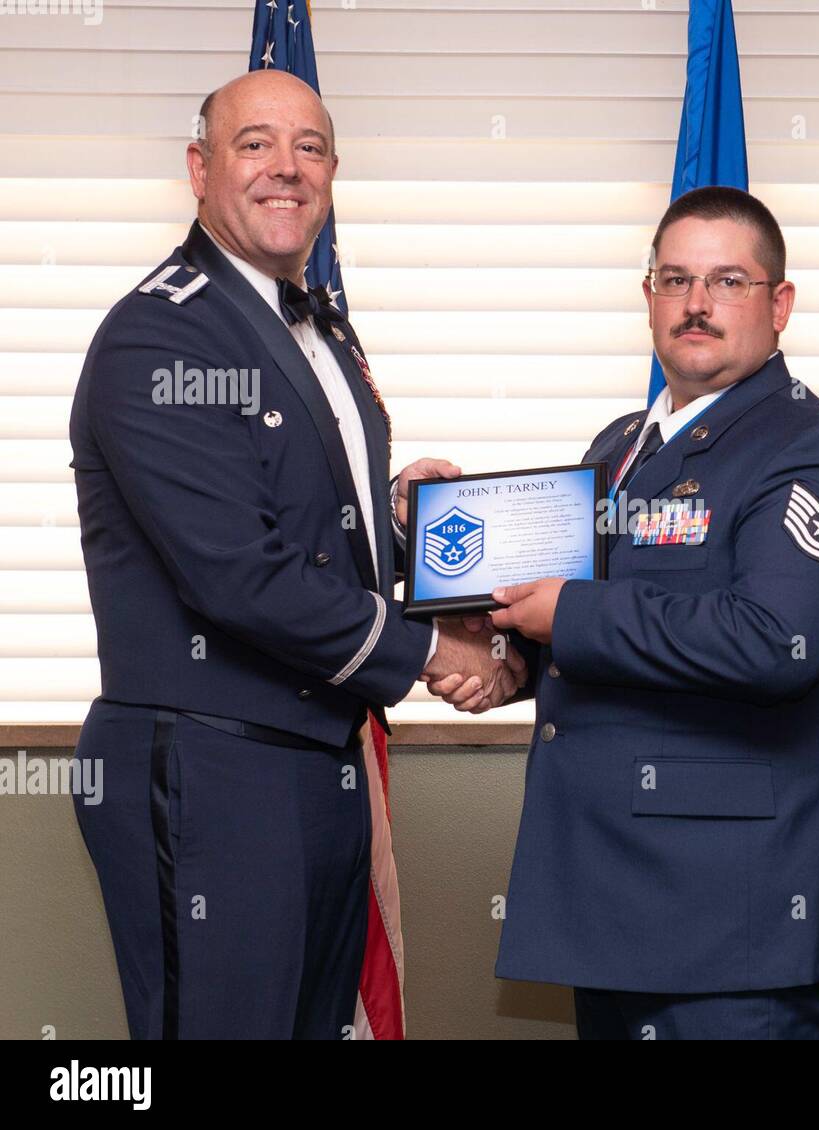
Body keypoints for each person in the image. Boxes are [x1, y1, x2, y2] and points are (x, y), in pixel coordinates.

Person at [69, 69, 522, 1039]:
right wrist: (438, 651)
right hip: (212, 762)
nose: (287, 168)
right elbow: (239, 574)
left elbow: (303, 527)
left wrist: (405, 523)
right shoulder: (163, 334)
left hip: (315, 756)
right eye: (255, 144)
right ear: (200, 167)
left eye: (309, 147)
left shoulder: (309, 321)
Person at [440, 186, 819, 1039]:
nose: (696, 304)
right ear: (648, 296)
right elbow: (586, 630)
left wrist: (566, 616)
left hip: (735, 904)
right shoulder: (618, 449)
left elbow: (774, 642)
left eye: (728, 281)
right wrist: (501, 663)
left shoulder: (818, 453)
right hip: (611, 891)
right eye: (675, 279)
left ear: (780, 304)